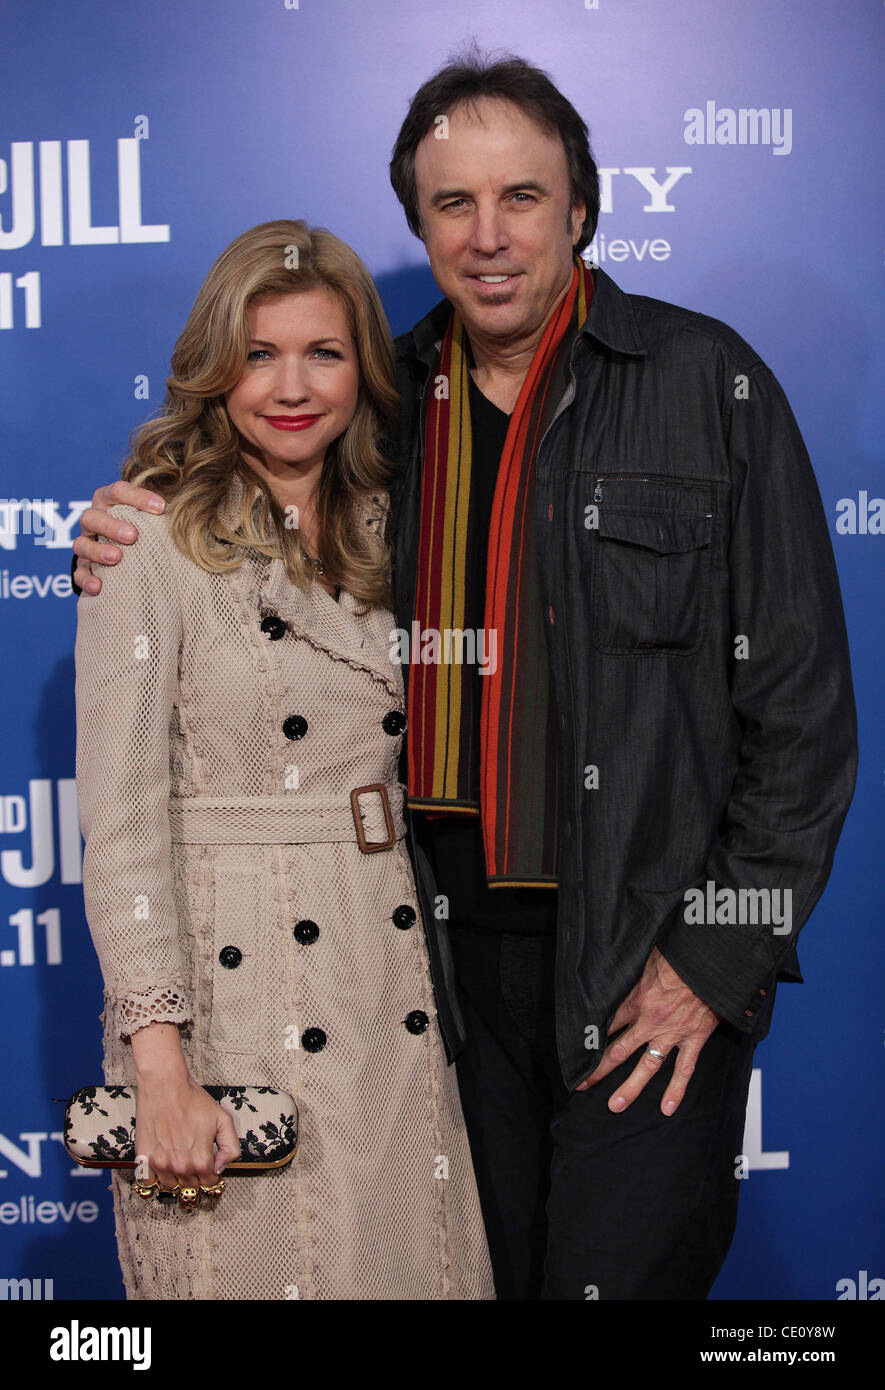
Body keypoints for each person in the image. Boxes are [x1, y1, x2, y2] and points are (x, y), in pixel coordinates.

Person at [73, 54, 858, 1301]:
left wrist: (713, 964)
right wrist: (133, 521)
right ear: (419, 223)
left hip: (642, 963)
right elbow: (258, 506)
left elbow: (806, 725)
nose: (488, 239)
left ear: (582, 210)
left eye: (522, 199)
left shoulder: (711, 385)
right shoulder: (383, 402)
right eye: (453, 205)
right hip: (433, 986)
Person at [73, 218, 494, 1301]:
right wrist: (159, 1064)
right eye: (259, 354)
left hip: (386, 961)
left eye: (324, 352)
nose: (291, 386)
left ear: (365, 366)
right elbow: (121, 825)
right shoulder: (147, 545)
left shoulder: (407, 530)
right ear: (216, 370)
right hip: (232, 983)